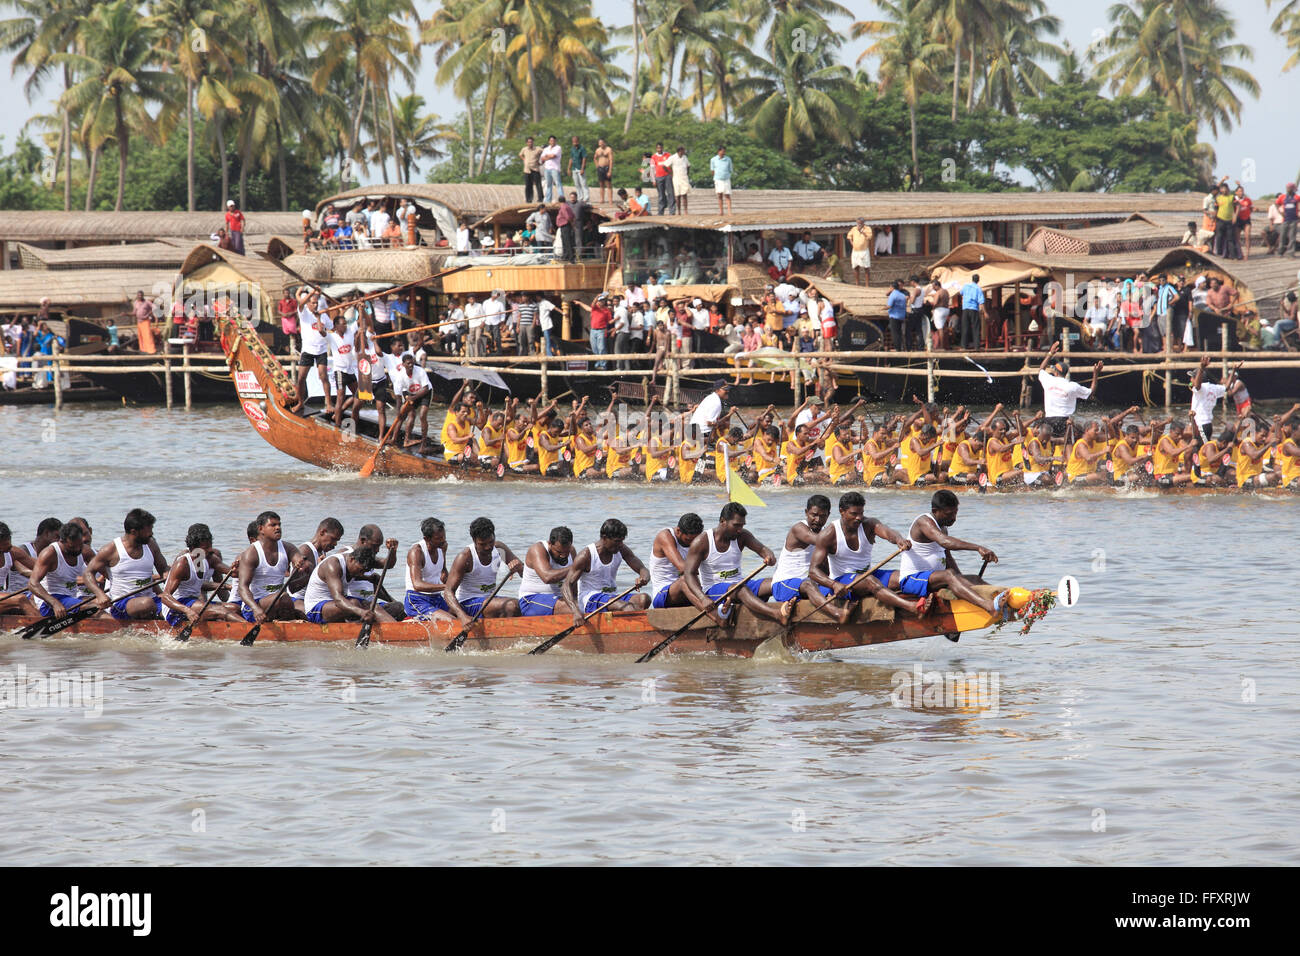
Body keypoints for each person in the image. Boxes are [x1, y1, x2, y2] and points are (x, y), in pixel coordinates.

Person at [805, 492, 928, 623]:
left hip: (868, 574)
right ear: (842, 511)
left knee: (904, 576)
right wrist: (834, 584)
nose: (858, 518)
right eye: (854, 514)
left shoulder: (869, 524)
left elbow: (887, 532)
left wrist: (899, 539)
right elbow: (813, 571)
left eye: (861, 513)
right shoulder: (829, 534)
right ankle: (912, 607)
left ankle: (928, 595)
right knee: (870, 581)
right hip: (845, 581)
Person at [895, 491, 1008, 618]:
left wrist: (960, 579)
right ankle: (989, 606)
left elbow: (948, 557)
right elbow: (945, 542)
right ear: (935, 510)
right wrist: (978, 548)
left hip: (934, 579)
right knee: (949, 575)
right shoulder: (924, 522)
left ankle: (1005, 600)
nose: (954, 518)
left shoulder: (942, 527)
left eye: (955, 513)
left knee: (974, 579)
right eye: (949, 514)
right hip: (912, 580)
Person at [680, 502, 793, 626]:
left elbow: (762, 549)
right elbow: (689, 574)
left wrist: (769, 556)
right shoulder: (702, 541)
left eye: (742, 525)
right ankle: (777, 614)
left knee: (776, 582)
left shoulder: (742, 536)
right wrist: (702, 598)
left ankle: (794, 608)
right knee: (740, 589)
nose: (739, 529)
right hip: (714, 589)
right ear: (723, 521)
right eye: (736, 525)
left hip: (739, 584)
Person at [80, 508, 182, 623]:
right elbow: (88, 573)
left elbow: (163, 568)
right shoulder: (111, 549)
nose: (151, 534)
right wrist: (100, 595)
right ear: (134, 532)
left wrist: (168, 574)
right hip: (122, 603)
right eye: (148, 530)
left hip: (151, 599)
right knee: (147, 604)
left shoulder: (151, 545)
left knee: (180, 608)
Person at [561, 519, 651, 624]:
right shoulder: (586, 555)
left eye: (622, 541)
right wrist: (575, 611)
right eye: (617, 541)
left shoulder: (621, 549)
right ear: (604, 538)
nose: (620, 544)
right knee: (628, 607)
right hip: (590, 599)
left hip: (612, 596)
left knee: (644, 599)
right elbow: (566, 586)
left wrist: (644, 578)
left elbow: (642, 569)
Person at [442, 517, 524, 622]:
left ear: (494, 536)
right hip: (468, 602)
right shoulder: (465, 557)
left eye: (491, 542)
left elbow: (524, 574)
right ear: (474, 540)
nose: (487, 547)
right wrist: (462, 616)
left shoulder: (499, 548)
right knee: (512, 605)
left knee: (523, 605)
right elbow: (448, 592)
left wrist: (519, 567)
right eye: (482, 544)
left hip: (488, 599)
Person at [765, 495, 831, 607]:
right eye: (814, 515)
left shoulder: (825, 533)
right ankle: (837, 613)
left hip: (809, 586)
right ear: (806, 512)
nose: (818, 520)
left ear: (828, 515)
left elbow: (826, 568)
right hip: (783, 585)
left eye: (822, 516)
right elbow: (819, 541)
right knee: (809, 584)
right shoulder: (799, 529)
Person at [236, 511, 302, 623]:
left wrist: (301, 564)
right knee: (284, 598)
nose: (278, 528)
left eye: (279, 525)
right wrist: (255, 609)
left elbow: (299, 558)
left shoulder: (287, 547)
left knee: (303, 607)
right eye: (273, 525)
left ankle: (286, 621)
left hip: (279, 602)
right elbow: (242, 587)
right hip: (255, 606)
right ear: (261, 529)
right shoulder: (251, 553)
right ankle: (288, 622)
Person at [26, 521, 88, 619]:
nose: (77, 549)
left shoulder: (84, 550)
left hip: (71, 597)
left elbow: (106, 573)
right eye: (72, 547)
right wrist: (54, 603)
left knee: (97, 604)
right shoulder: (49, 553)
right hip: (49, 601)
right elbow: (32, 584)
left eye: (79, 545)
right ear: (62, 541)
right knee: (91, 608)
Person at [1038, 341, 1101, 438]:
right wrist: (1096, 374)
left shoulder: (1048, 380)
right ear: (1065, 373)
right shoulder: (1072, 386)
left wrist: (1050, 353)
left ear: (1055, 372)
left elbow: (1041, 369)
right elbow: (1091, 393)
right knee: (1068, 444)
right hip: (1065, 421)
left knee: (1050, 444)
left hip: (1048, 420)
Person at [515, 526, 578, 616]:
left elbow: (574, 584)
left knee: (587, 605)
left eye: (566, 552)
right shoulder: (537, 549)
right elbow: (547, 577)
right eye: (559, 552)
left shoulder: (571, 551)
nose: (563, 556)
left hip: (560, 599)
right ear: (550, 544)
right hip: (531, 600)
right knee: (576, 608)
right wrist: (575, 567)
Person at [647, 513, 705, 609]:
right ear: (678, 531)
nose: (692, 544)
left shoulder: (698, 539)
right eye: (688, 540)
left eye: (695, 541)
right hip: (662, 595)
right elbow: (683, 568)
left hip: (687, 592)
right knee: (684, 580)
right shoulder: (665, 536)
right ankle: (709, 611)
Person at [291, 289, 333, 415]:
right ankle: (300, 403)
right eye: (313, 303)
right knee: (301, 378)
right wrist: (312, 292)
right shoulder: (304, 313)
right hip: (308, 350)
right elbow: (301, 303)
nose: (315, 305)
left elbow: (332, 327)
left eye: (316, 303)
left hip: (321, 350)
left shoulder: (323, 315)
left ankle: (329, 404)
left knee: (323, 376)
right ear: (308, 303)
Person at [959, 273, 985, 349]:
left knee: (965, 327)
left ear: (972, 279)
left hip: (965, 309)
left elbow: (961, 293)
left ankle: (964, 346)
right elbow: (981, 302)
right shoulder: (978, 288)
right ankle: (977, 346)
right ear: (978, 280)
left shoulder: (966, 286)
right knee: (976, 328)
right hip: (974, 309)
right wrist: (985, 312)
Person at [651, 142, 675, 215]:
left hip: (667, 176)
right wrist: (653, 180)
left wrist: (673, 175)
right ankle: (661, 212)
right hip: (658, 177)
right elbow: (652, 169)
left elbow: (673, 165)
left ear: (662, 148)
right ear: (656, 148)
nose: (659, 149)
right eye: (658, 148)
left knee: (670, 193)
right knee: (661, 195)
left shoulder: (668, 155)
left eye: (661, 148)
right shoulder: (653, 157)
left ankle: (672, 211)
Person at [847, 218, 873, 287]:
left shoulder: (867, 228)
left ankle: (867, 285)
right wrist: (852, 244)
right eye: (858, 223)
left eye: (860, 223)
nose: (859, 224)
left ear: (863, 223)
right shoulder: (854, 229)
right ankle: (857, 284)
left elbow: (869, 237)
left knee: (866, 267)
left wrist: (862, 232)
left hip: (864, 250)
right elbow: (849, 236)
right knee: (856, 267)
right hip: (855, 251)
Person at [710, 146, 733, 214]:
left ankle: (729, 211)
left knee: (727, 195)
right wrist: (716, 176)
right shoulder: (713, 159)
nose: (723, 153)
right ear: (719, 151)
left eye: (724, 151)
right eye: (722, 151)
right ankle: (721, 211)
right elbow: (712, 170)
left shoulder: (728, 159)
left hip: (726, 179)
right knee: (719, 195)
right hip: (718, 179)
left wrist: (727, 175)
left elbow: (730, 169)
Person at [540, 135, 563, 203]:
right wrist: (549, 156)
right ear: (549, 141)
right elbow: (542, 158)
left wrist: (547, 156)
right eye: (551, 141)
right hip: (547, 168)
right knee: (549, 185)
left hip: (555, 168)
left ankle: (561, 198)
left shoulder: (558, 147)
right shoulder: (546, 149)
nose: (552, 142)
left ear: (555, 141)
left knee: (558, 183)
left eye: (553, 140)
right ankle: (548, 200)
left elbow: (553, 155)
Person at [520, 136, 542, 203]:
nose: (530, 143)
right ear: (527, 143)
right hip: (527, 170)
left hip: (535, 169)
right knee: (528, 185)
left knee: (538, 185)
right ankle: (528, 199)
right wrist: (524, 160)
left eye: (531, 142)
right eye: (529, 142)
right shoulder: (524, 149)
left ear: (533, 142)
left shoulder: (537, 149)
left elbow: (544, 152)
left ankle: (540, 199)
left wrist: (540, 161)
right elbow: (520, 155)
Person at [568, 135, 589, 202]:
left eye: (576, 141)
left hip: (580, 168)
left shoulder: (582, 148)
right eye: (573, 142)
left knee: (583, 183)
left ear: (578, 141)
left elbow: (584, 158)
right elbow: (571, 159)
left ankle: (586, 198)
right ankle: (580, 197)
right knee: (577, 184)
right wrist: (569, 168)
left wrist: (582, 168)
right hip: (574, 168)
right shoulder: (572, 149)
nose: (574, 143)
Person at [593, 138, 614, 204]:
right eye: (599, 143)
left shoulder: (608, 149)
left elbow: (611, 160)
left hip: (607, 167)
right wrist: (597, 166)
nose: (601, 144)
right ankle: (602, 199)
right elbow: (595, 158)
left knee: (608, 185)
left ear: (604, 143)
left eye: (602, 143)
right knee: (601, 184)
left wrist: (610, 171)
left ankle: (610, 200)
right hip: (600, 168)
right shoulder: (598, 150)